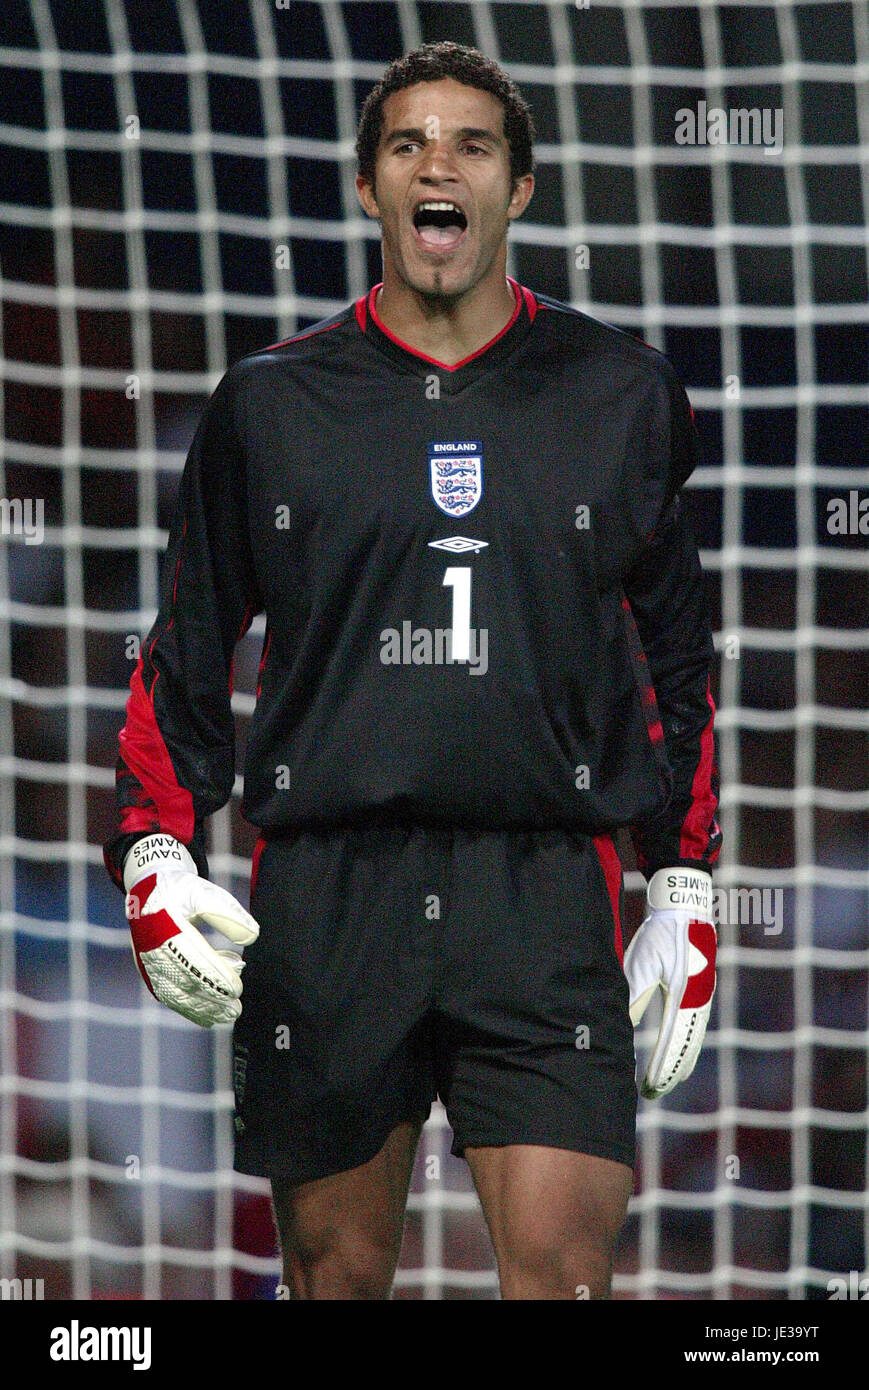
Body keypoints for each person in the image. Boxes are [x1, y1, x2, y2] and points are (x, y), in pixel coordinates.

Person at [105, 41, 721, 1300]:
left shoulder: (622, 394)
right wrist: (155, 849)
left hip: (547, 884)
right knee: (334, 1276)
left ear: (521, 189)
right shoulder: (269, 405)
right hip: (330, 887)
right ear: (367, 188)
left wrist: (683, 882)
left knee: (560, 1268)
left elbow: (675, 659)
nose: (437, 164)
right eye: (406, 144)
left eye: (471, 144)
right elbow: (187, 641)